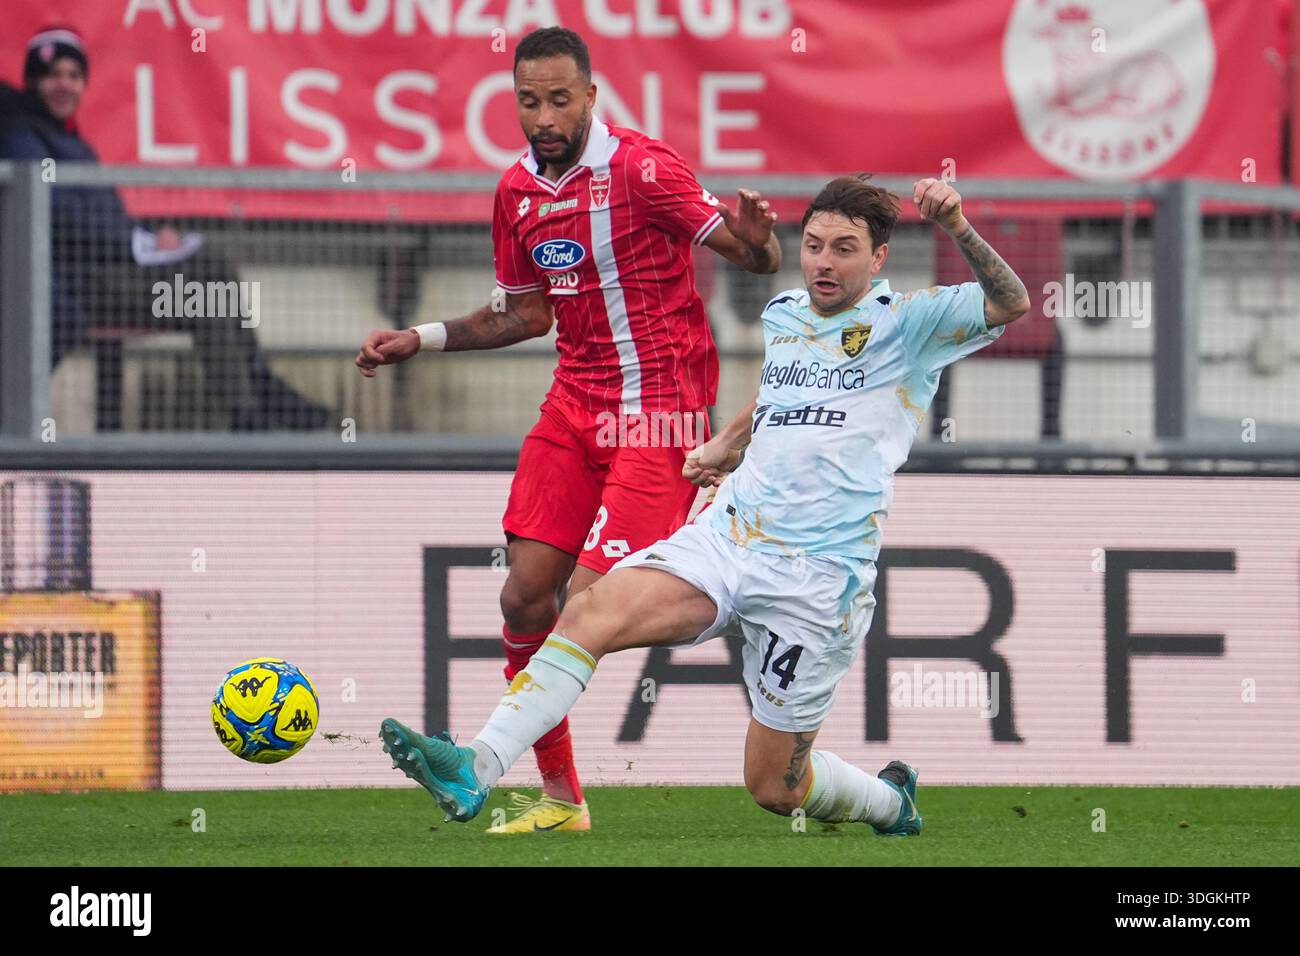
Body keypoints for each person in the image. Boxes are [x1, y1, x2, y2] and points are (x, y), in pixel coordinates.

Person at [376, 173, 1030, 833]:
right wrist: (727, 443)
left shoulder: (912, 323)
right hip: (729, 539)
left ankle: (892, 803)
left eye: (844, 249)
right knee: (590, 609)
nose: (823, 263)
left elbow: (1013, 302)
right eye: (813, 245)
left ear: (878, 258)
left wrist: (957, 227)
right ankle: (475, 766)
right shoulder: (786, 316)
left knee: (776, 785)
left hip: (817, 578)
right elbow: (783, 396)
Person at [356, 26, 780, 833]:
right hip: (574, 405)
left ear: (591, 94)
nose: (544, 116)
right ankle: (560, 799)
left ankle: (475, 763)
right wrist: (424, 338)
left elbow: (749, 256)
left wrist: (759, 244)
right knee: (524, 598)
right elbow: (523, 313)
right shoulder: (516, 190)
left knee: (588, 609)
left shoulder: (643, 169)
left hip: (662, 412)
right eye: (528, 101)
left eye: (559, 98)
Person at [0, 26, 330, 430]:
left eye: (74, 75)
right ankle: (258, 400)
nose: (65, 85)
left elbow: (107, 218)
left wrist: (151, 235)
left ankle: (252, 410)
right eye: (54, 74)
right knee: (209, 268)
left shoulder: (74, 143)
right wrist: (139, 242)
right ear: (34, 80)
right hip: (80, 285)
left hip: (110, 276)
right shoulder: (22, 136)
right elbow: (59, 212)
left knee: (210, 299)